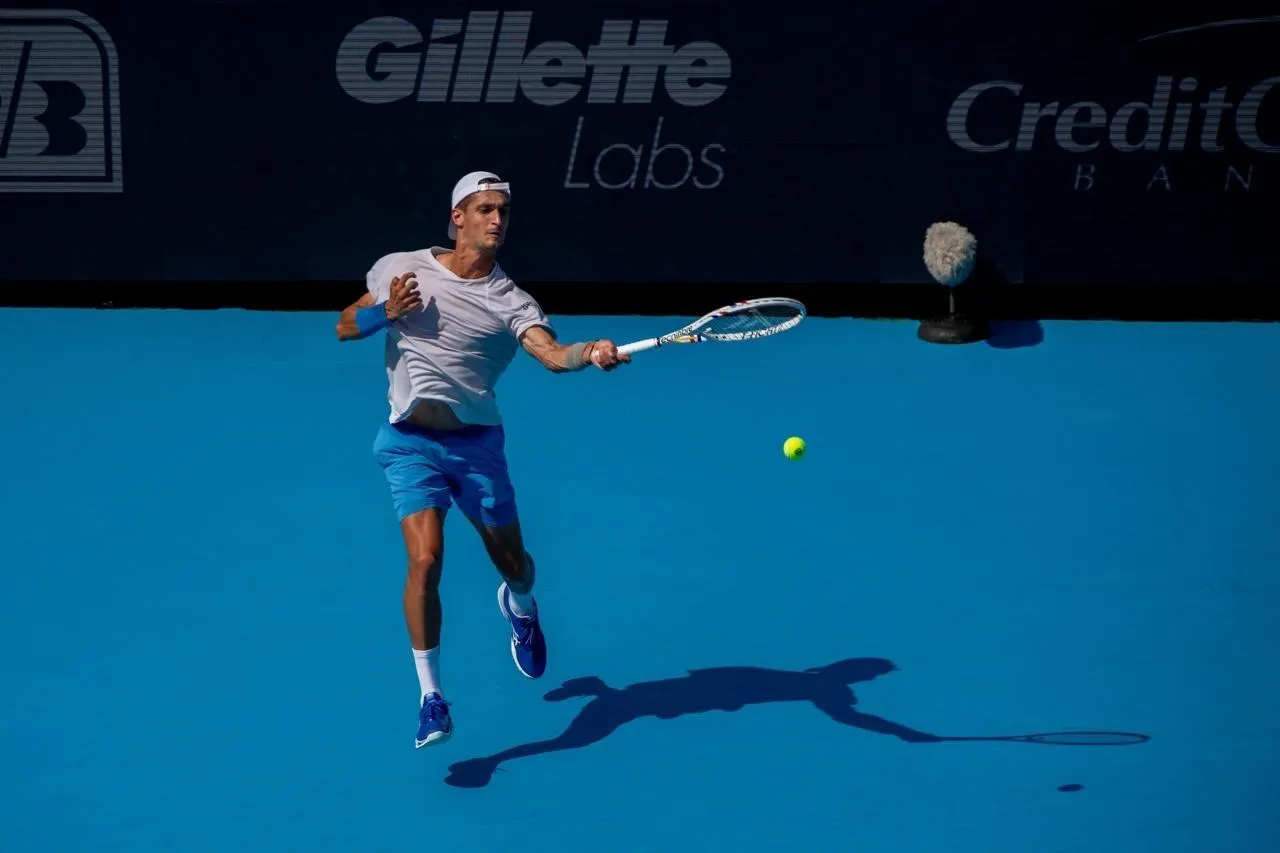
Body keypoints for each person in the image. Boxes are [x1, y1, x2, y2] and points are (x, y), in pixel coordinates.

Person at [334, 171, 629, 748]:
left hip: (476, 448)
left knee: (514, 563)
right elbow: (345, 326)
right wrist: (386, 313)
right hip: (408, 444)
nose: (497, 219)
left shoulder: (511, 300)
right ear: (457, 219)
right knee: (425, 562)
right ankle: (432, 699)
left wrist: (588, 352)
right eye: (485, 208)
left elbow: (550, 354)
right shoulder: (403, 267)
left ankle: (520, 604)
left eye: (504, 211)